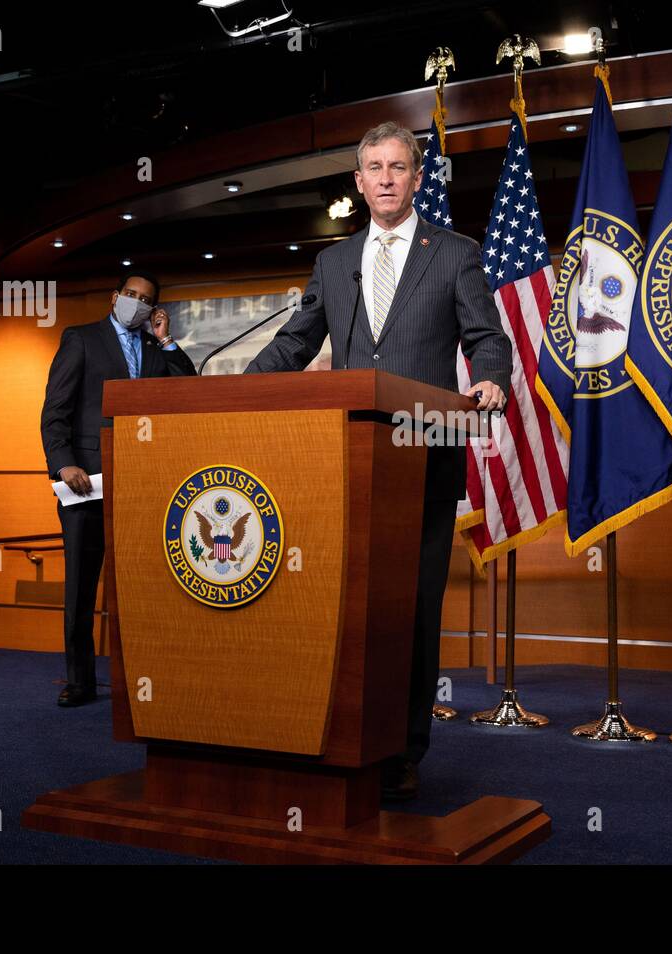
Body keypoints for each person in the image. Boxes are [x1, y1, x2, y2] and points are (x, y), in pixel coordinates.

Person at [245, 121, 512, 800]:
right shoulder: (335, 263)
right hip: (343, 465)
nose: (387, 178)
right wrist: (239, 388)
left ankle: (402, 752)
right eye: (374, 168)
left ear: (417, 179)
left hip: (421, 461)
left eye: (399, 167)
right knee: (339, 608)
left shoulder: (454, 253)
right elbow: (296, 340)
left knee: (411, 613)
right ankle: (336, 737)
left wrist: (490, 378)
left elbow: (488, 336)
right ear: (359, 182)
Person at [40, 271, 197, 707]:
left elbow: (187, 388)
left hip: (139, 485)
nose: (136, 303)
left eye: (146, 300)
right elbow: (55, 410)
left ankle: (142, 683)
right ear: (114, 297)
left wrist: (166, 341)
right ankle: (80, 682)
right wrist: (63, 462)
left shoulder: (153, 348)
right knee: (81, 590)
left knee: (142, 589)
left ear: (154, 310)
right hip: (85, 483)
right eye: (130, 295)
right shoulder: (81, 338)